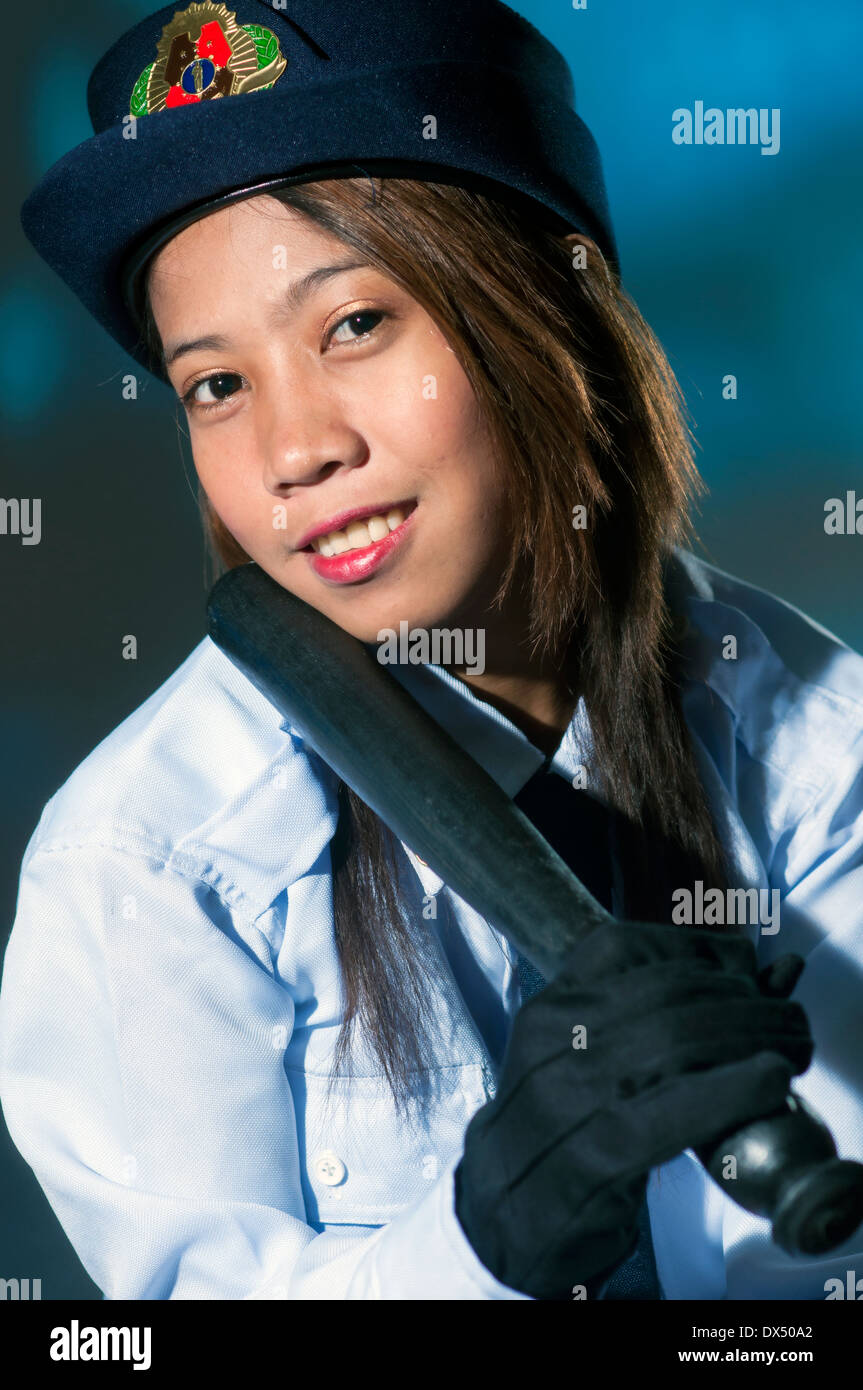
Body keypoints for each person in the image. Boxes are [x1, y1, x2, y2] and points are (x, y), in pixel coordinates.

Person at [0, 0, 861, 1302]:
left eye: (353, 325)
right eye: (216, 385)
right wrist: (485, 1245)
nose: (295, 453)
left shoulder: (824, 742)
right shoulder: (148, 864)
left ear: (552, 315)